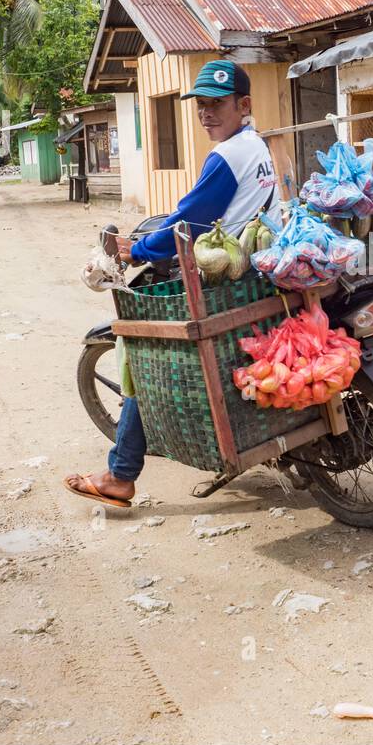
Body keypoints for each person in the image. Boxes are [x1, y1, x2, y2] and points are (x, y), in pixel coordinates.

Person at [64, 59, 276, 507]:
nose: (206, 114)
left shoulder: (227, 156)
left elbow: (190, 222)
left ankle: (120, 475)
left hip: (226, 279)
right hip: (260, 270)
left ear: (244, 105)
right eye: (201, 106)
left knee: (148, 356)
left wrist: (135, 250)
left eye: (217, 105)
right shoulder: (256, 145)